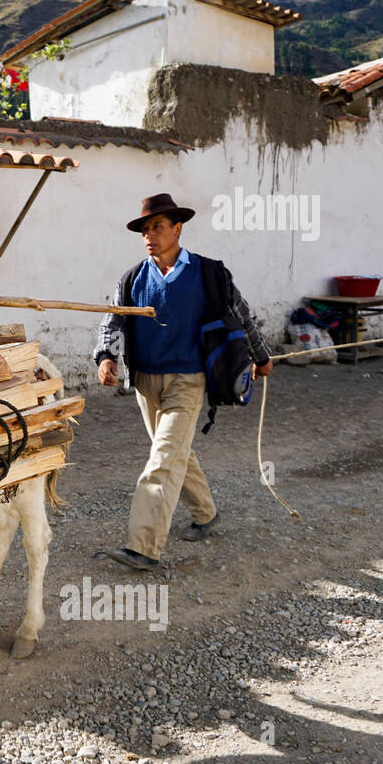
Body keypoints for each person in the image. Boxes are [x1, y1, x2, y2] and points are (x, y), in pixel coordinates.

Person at [92, 193, 272, 571]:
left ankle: (142, 547)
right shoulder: (131, 279)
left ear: (177, 228)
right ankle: (206, 514)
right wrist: (105, 357)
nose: (149, 235)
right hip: (145, 382)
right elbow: (112, 323)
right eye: (144, 229)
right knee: (176, 452)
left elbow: (243, 316)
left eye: (157, 227)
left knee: (162, 459)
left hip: (189, 381)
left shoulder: (209, 274)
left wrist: (261, 356)